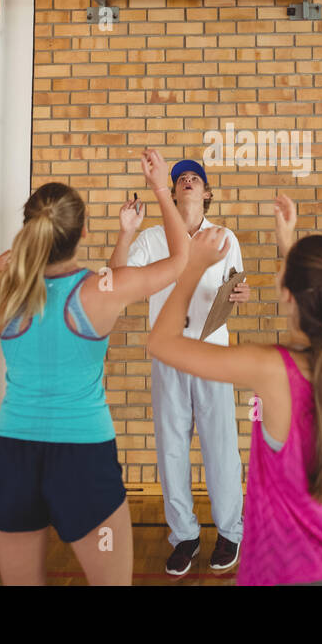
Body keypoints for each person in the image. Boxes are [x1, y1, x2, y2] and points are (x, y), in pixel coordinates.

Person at [0, 149, 188, 586]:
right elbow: (180, 258)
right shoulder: (99, 291)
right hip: (83, 461)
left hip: (12, 458)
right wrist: (161, 186)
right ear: (83, 231)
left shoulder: (4, 290)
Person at [147, 195, 322, 586]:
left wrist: (190, 270)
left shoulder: (274, 368)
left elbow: (160, 344)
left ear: (286, 292)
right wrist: (288, 241)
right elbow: (318, 295)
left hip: (293, 566)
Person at [108, 158, 249, 576]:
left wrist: (239, 294)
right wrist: (125, 231)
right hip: (169, 354)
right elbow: (116, 277)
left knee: (220, 446)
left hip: (212, 355)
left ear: (206, 193)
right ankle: (184, 535)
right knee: (172, 448)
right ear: (171, 193)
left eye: (195, 178)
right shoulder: (152, 237)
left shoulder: (225, 237)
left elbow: (233, 289)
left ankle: (230, 532)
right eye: (180, 178)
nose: (187, 180)